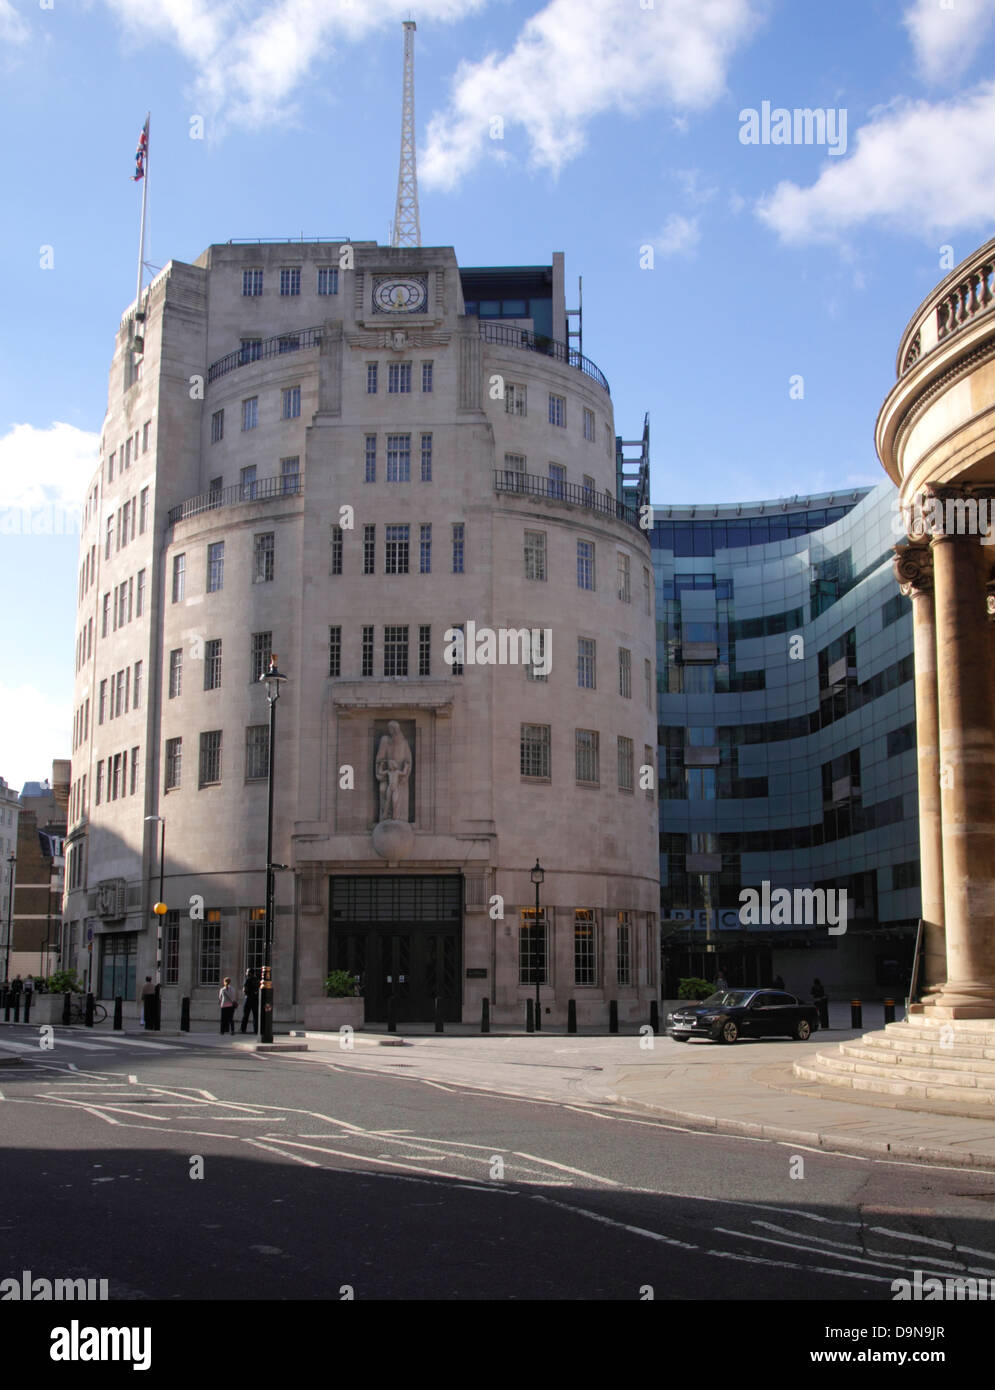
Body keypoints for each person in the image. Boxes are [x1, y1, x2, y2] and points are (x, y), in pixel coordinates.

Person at [240, 968, 259, 1034]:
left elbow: (244, 990)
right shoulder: (257, 980)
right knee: (255, 1016)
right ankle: (256, 1030)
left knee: (245, 1015)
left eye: (247, 972)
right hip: (255, 999)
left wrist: (246, 993)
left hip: (248, 999)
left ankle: (243, 1029)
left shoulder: (247, 980)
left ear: (250, 973)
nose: (246, 973)